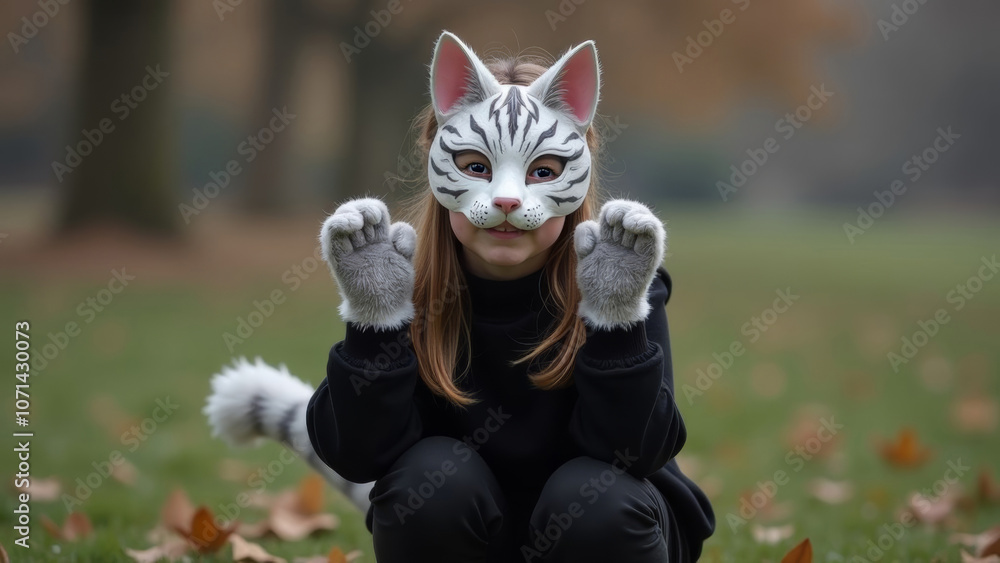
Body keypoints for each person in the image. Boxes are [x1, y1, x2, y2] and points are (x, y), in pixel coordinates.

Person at [204, 30, 714, 563]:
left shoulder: (623, 277)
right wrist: (374, 321)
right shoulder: (401, 283)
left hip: (611, 527)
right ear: (436, 160)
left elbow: (636, 451)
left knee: (594, 497)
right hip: (467, 527)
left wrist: (616, 320)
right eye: (476, 167)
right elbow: (361, 455)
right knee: (430, 481)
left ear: (578, 170)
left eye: (543, 171)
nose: (508, 198)